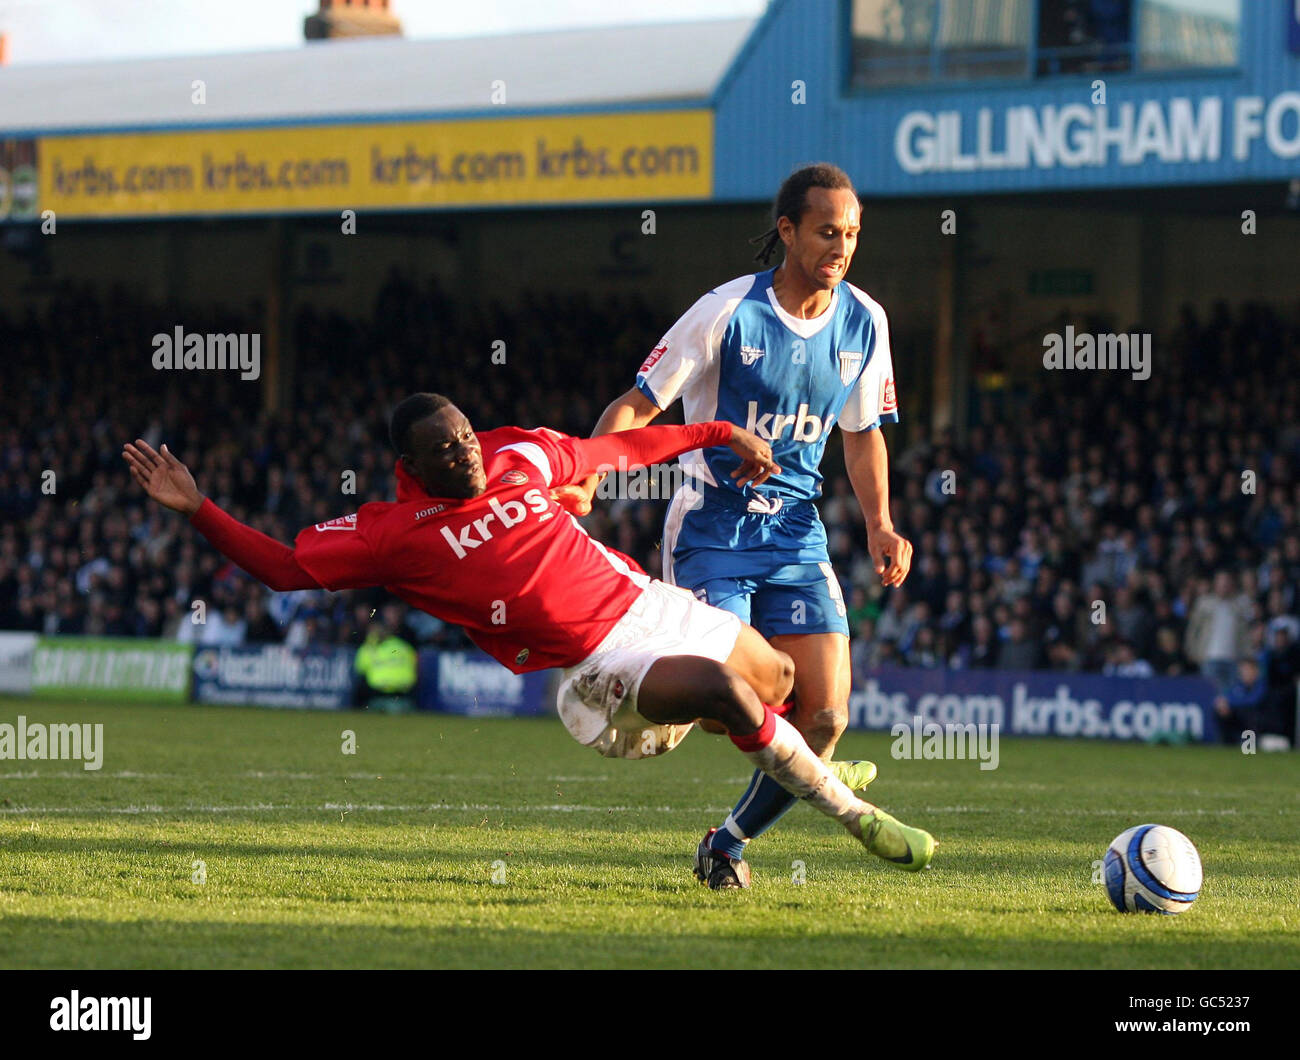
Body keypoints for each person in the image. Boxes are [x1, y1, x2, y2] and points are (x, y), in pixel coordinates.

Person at [123, 392, 935, 875]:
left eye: (465, 434)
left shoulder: (514, 455)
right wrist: (200, 511)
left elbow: (616, 449)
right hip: (600, 665)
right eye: (442, 450)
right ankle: (851, 814)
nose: (464, 453)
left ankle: (782, 760)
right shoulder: (395, 533)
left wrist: (715, 434)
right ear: (412, 467)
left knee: (783, 687)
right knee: (726, 692)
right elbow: (285, 568)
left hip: (651, 603)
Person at [561, 163, 914, 888]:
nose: (840, 246)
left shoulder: (864, 320)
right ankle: (655, 694)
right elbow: (641, 400)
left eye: (850, 234)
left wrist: (880, 521)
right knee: (729, 706)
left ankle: (726, 842)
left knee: (825, 718)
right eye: (826, 231)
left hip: (795, 534)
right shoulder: (726, 312)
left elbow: (861, 432)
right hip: (711, 531)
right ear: (787, 231)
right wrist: (589, 464)